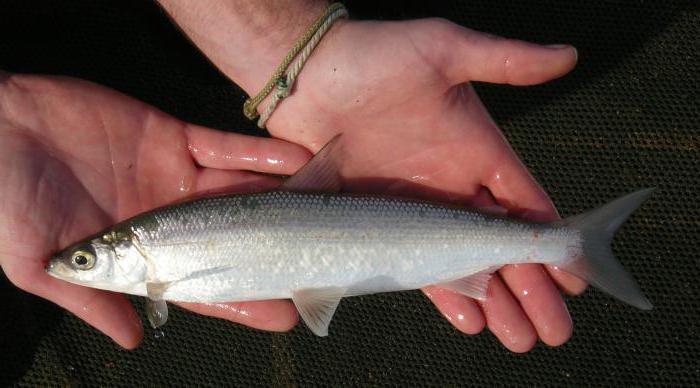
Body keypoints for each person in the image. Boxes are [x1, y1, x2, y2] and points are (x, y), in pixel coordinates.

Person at [0, 1, 584, 352]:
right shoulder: (150, 253)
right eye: (84, 260)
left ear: (126, 252)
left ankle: (568, 244)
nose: (74, 266)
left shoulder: (154, 253)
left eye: (84, 261)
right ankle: (564, 245)